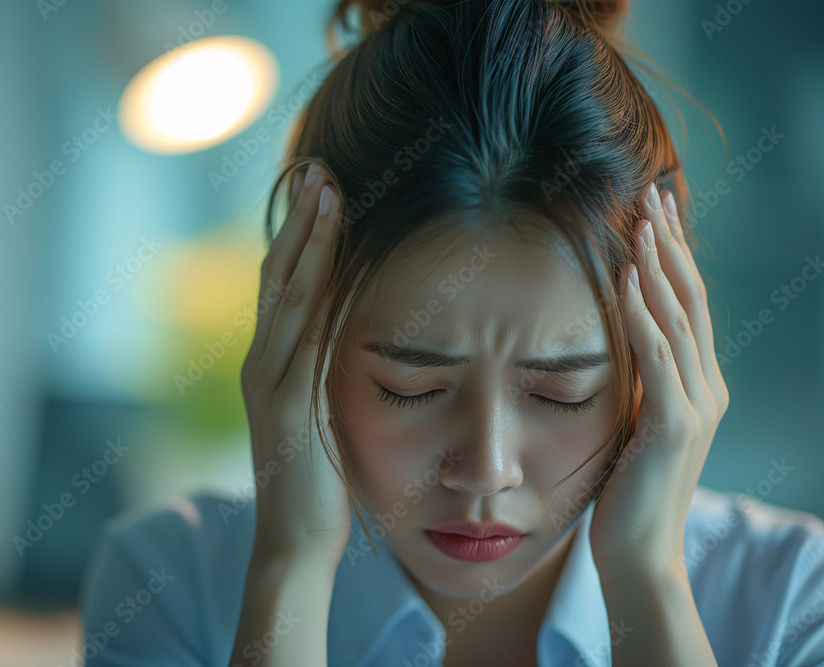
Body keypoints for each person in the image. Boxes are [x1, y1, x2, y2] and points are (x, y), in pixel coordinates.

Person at [79, 0, 824, 665]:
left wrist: (645, 574)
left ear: (659, 359)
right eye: (413, 387)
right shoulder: (170, 582)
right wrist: (290, 566)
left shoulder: (791, 599)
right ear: (300, 338)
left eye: (563, 392)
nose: (485, 468)